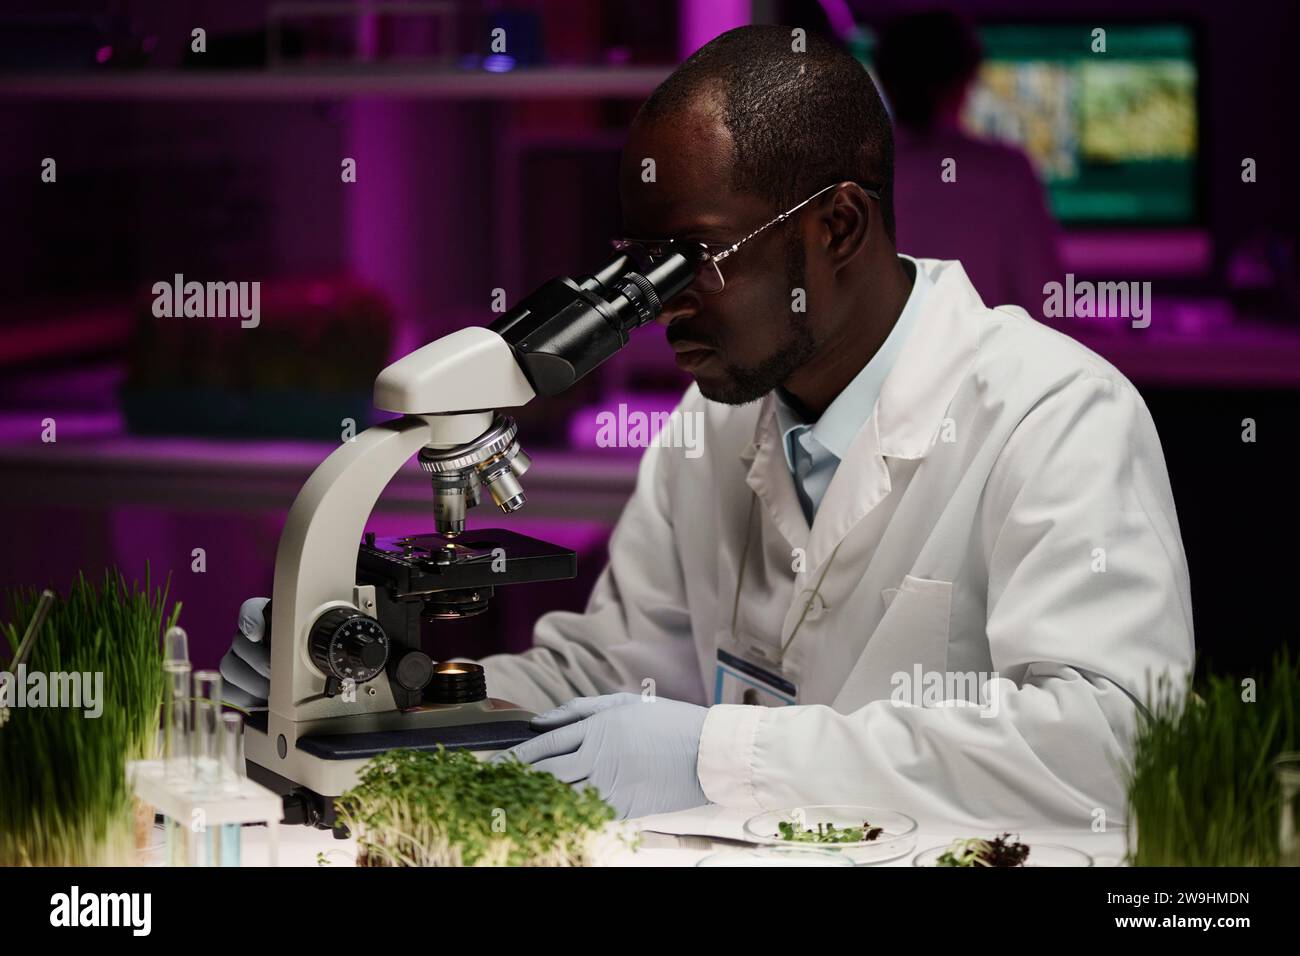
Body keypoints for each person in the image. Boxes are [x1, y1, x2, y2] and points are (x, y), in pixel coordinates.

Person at [223, 26, 1192, 827]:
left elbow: (1107, 749)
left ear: (840, 228)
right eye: (639, 266)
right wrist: (375, 688)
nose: (660, 306)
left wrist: (716, 754)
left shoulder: (1054, 417)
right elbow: (607, 670)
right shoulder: (713, 426)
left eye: (690, 258)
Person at [876, 11, 1063, 313]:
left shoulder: (853, 172)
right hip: (989, 360)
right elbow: (1048, 309)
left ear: (884, 78)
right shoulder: (1006, 173)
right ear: (965, 80)